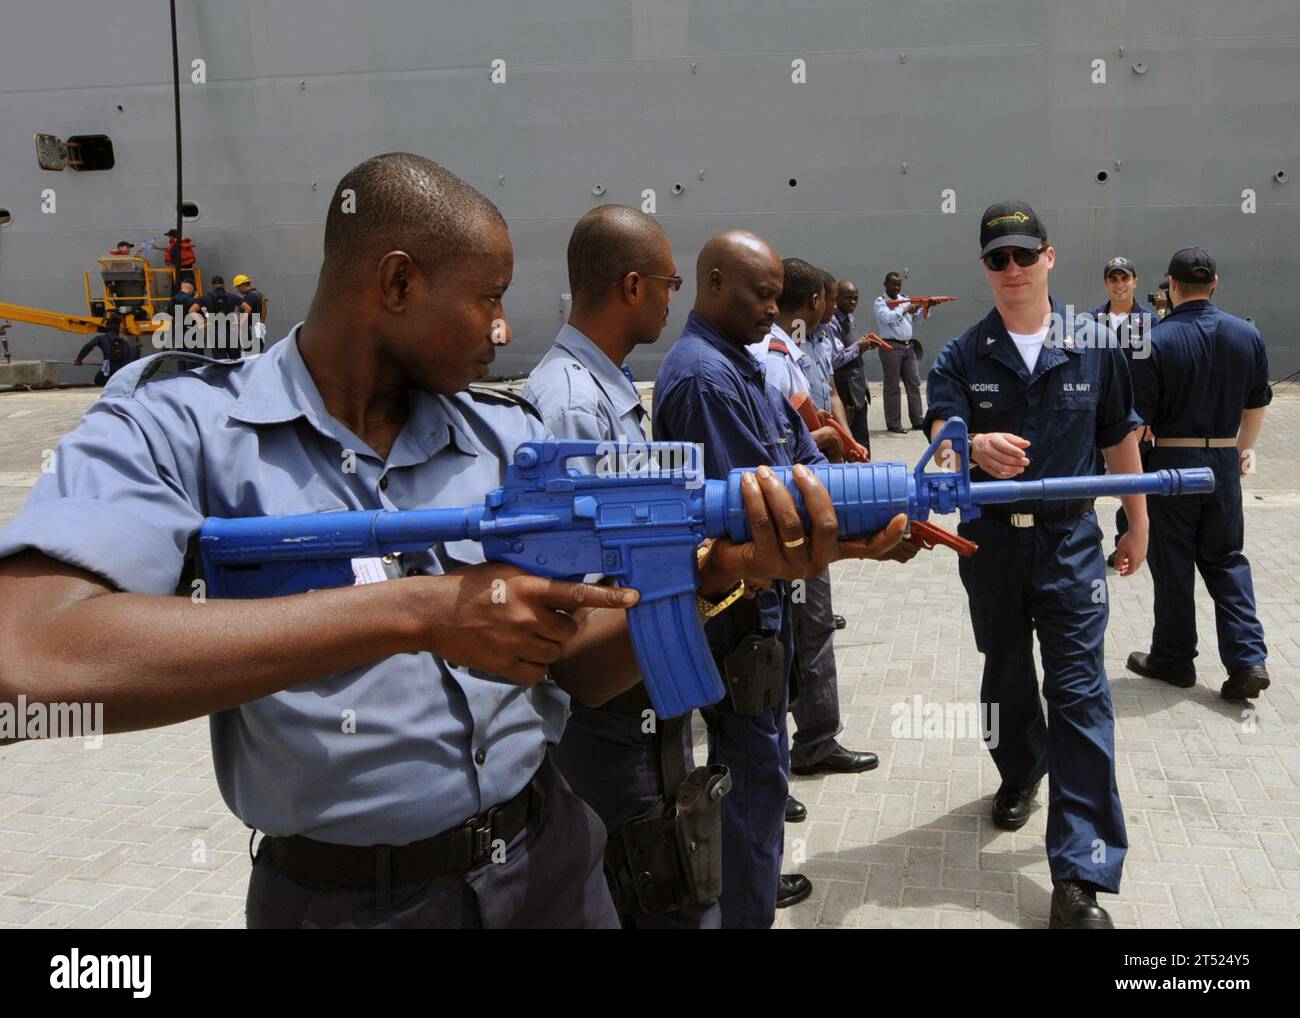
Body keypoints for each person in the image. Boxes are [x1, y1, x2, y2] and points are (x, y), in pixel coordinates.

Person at [654, 230, 916, 928]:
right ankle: (747, 904)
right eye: (761, 294)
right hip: (736, 613)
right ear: (714, 282)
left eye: (778, 295)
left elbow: (808, 468)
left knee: (765, 768)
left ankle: (754, 890)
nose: (776, 310)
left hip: (760, 613)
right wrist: (867, 535)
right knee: (749, 773)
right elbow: (766, 508)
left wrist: (892, 494)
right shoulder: (706, 380)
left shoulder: (742, 371)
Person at [924, 200, 1147, 929]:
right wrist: (970, 443)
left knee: (1081, 692)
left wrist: (1137, 520)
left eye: (1025, 255)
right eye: (998, 259)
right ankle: (1020, 772)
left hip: (1070, 542)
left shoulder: (1096, 343)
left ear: (1050, 257)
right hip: (990, 543)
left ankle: (1080, 877)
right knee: (1006, 671)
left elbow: (1118, 439)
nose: (1012, 269)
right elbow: (940, 439)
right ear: (985, 268)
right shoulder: (962, 355)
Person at [523, 205, 718, 928]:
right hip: (604, 707)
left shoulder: (601, 388)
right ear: (632, 286)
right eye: (668, 282)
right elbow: (579, 581)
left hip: (632, 683)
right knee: (644, 880)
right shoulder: (573, 405)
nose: (675, 298)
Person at [748, 259, 879, 785]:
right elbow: (802, 433)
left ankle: (799, 746)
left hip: (791, 511)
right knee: (808, 629)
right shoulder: (777, 359)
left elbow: (818, 414)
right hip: (793, 518)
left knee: (799, 633)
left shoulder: (784, 351)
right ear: (816, 302)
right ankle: (811, 745)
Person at [1125, 247, 1271, 702]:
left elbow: (1136, 422)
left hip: (1172, 464)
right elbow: (1257, 404)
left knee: (1172, 563)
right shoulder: (1247, 335)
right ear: (1215, 282)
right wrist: (1243, 452)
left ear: (1170, 285)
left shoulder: (1157, 340)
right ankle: (1247, 658)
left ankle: (1173, 658)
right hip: (1224, 463)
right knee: (1226, 559)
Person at [1089, 257, 1158, 564]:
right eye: (1113, 279)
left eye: (1124, 279)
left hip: (1136, 419)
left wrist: (1150, 418)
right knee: (1089, 478)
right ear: (1106, 284)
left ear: (1135, 281)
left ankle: (1126, 541)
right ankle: (1085, 543)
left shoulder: (1152, 322)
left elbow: (1156, 375)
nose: (1119, 284)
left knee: (1133, 482)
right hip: (1097, 417)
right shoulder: (1090, 322)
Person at [829, 279, 883, 455]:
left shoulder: (850, 318)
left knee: (862, 438)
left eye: (856, 298)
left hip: (857, 388)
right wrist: (858, 346)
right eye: (848, 298)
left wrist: (864, 346)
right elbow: (835, 360)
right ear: (837, 298)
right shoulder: (832, 323)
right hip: (845, 390)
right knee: (849, 439)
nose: (853, 302)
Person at [872, 272, 926, 434]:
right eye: (893, 284)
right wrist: (905, 309)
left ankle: (918, 420)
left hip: (908, 347)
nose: (896, 288)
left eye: (898, 285)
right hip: (891, 347)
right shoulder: (880, 302)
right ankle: (894, 423)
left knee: (914, 383)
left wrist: (926, 308)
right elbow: (886, 317)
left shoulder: (905, 298)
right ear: (885, 284)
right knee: (892, 386)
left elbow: (917, 319)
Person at [74, 317, 136, 386]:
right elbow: (131, 358)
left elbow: (88, 346)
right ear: (118, 329)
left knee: (98, 381)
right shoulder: (124, 341)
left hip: (108, 372)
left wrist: (78, 359)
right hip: (123, 374)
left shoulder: (101, 338)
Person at [201, 275, 243, 359]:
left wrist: (205, 321)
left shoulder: (206, 298)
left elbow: (193, 310)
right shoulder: (233, 297)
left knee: (220, 362)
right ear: (223, 284)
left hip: (215, 333)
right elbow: (247, 308)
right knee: (236, 360)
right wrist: (239, 322)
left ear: (212, 286)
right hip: (231, 332)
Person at [233, 274, 267, 355]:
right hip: (256, 329)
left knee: (250, 357)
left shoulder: (251, 296)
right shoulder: (257, 294)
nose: (237, 290)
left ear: (242, 285)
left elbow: (248, 311)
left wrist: (238, 323)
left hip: (251, 331)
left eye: (237, 287)